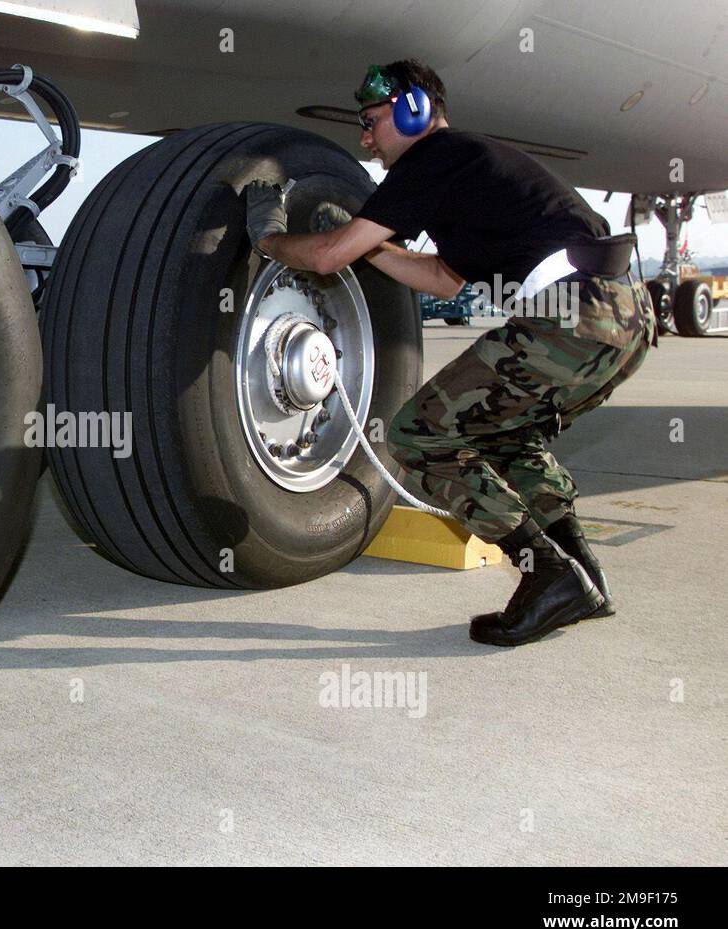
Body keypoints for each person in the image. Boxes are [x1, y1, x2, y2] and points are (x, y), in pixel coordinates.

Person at [244, 59, 657, 647]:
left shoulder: (432, 158)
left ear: (413, 108)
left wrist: (269, 235)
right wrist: (371, 247)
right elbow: (443, 279)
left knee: (416, 437)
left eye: (371, 121)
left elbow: (328, 255)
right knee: (503, 433)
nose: (365, 139)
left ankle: (550, 576)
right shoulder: (464, 167)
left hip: (573, 316)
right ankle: (583, 576)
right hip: (622, 314)